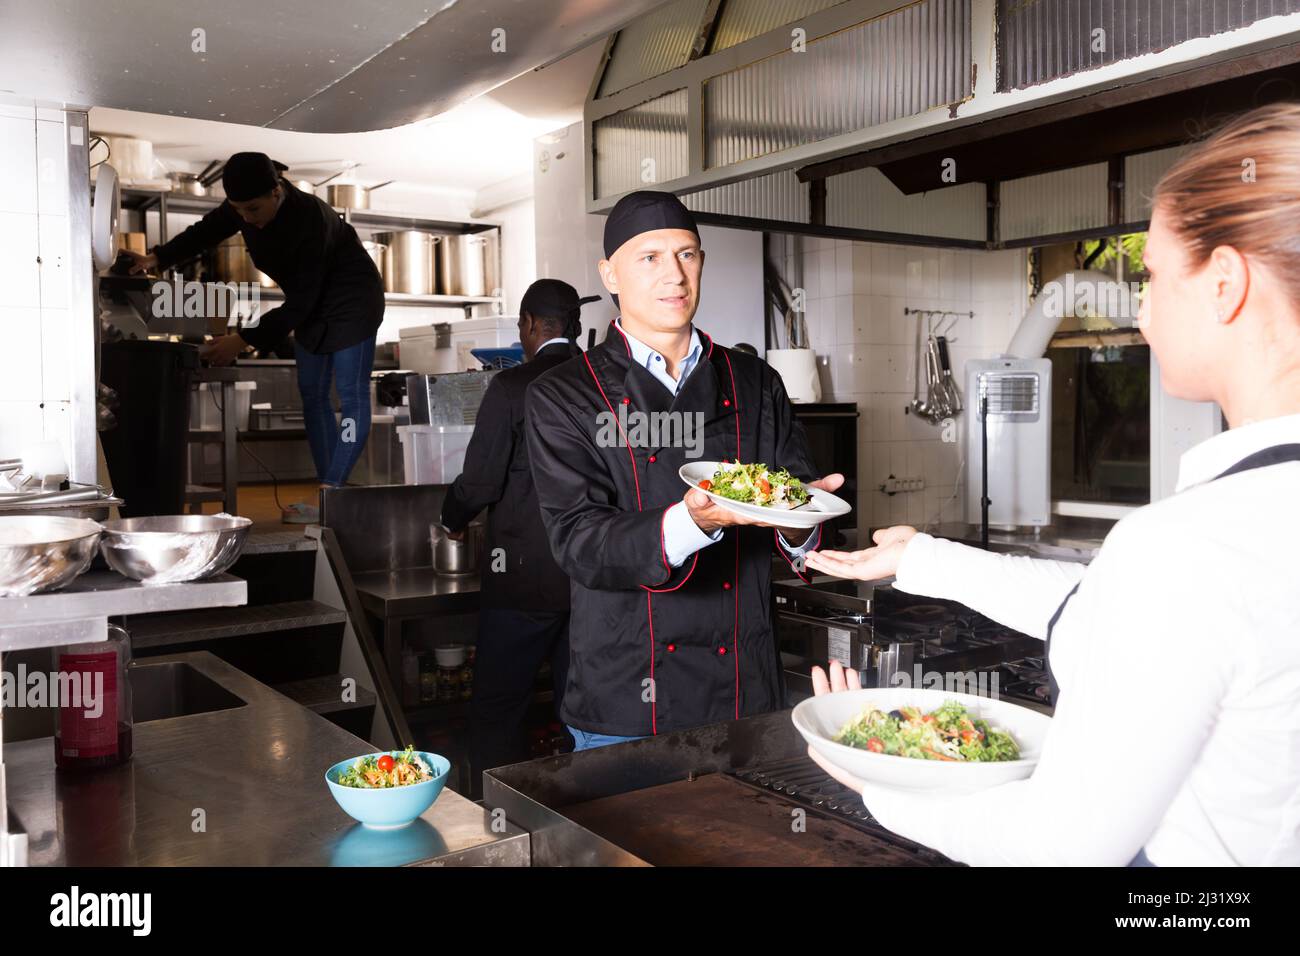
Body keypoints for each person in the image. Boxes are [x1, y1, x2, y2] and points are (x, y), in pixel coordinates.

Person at [804, 103, 1300, 866]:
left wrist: (878, 784)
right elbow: (1113, 611)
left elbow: (1055, 850)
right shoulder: (1223, 540)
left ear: (1225, 283)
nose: (1138, 311)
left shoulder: (1188, 550)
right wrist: (925, 558)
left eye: (1155, 277)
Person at [524, 190, 843, 750]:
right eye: (649, 257)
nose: (674, 274)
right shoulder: (562, 395)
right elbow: (578, 540)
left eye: (687, 254)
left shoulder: (756, 382)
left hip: (744, 688)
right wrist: (694, 522)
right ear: (611, 274)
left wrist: (799, 524)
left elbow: (800, 511)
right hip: (625, 696)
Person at [125, 152, 384, 522]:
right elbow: (207, 231)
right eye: (238, 210)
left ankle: (333, 495)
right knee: (312, 395)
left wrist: (242, 339)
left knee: (351, 394)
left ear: (276, 192)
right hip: (310, 304)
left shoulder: (310, 217)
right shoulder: (242, 207)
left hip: (353, 301)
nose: (246, 218)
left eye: (253, 209)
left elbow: (303, 301)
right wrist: (157, 258)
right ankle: (332, 502)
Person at [439, 280, 599, 788]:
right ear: (573, 327)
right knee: (586, 705)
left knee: (499, 705)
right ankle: (585, 812)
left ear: (529, 325)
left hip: (522, 579)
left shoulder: (511, 388)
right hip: (593, 577)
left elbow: (481, 481)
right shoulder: (606, 385)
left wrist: (452, 518)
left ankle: (496, 815)